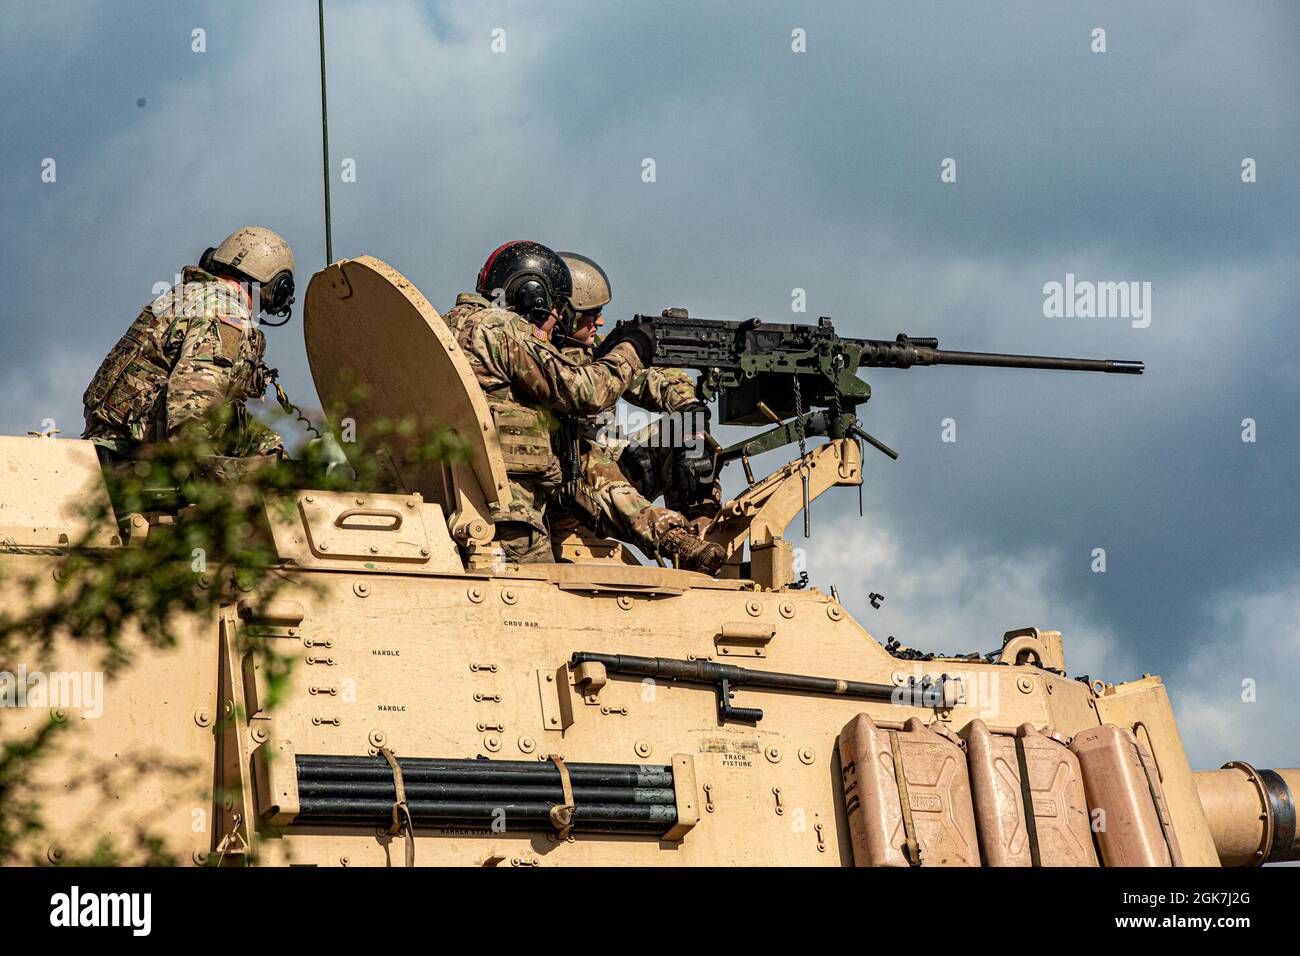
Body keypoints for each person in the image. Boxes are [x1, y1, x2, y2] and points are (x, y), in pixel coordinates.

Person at [440, 240, 652, 564]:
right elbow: (583, 392)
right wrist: (633, 348)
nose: (556, 319)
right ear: (531, 296)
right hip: (511, 516)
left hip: (458, 508)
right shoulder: (501, 328)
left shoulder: (448, 325)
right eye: (555, 306)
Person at [553, 251, 725, 574]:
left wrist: (691, 421)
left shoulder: (596, 351)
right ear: (563, 315)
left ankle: (700, 542)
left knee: (684, 437)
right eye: (590, 314)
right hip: (570, 485)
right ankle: (675, 540)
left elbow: (655, 382)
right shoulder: (545, 361)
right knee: (593, 460)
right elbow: (588, 396)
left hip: (609, 478)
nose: (599, 321)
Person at [82, 226, 294, 460]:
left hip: (106, 447)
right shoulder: (225, 312)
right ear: (276, 289)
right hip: (134, 460)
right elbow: (191, 406)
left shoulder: (183, 296)